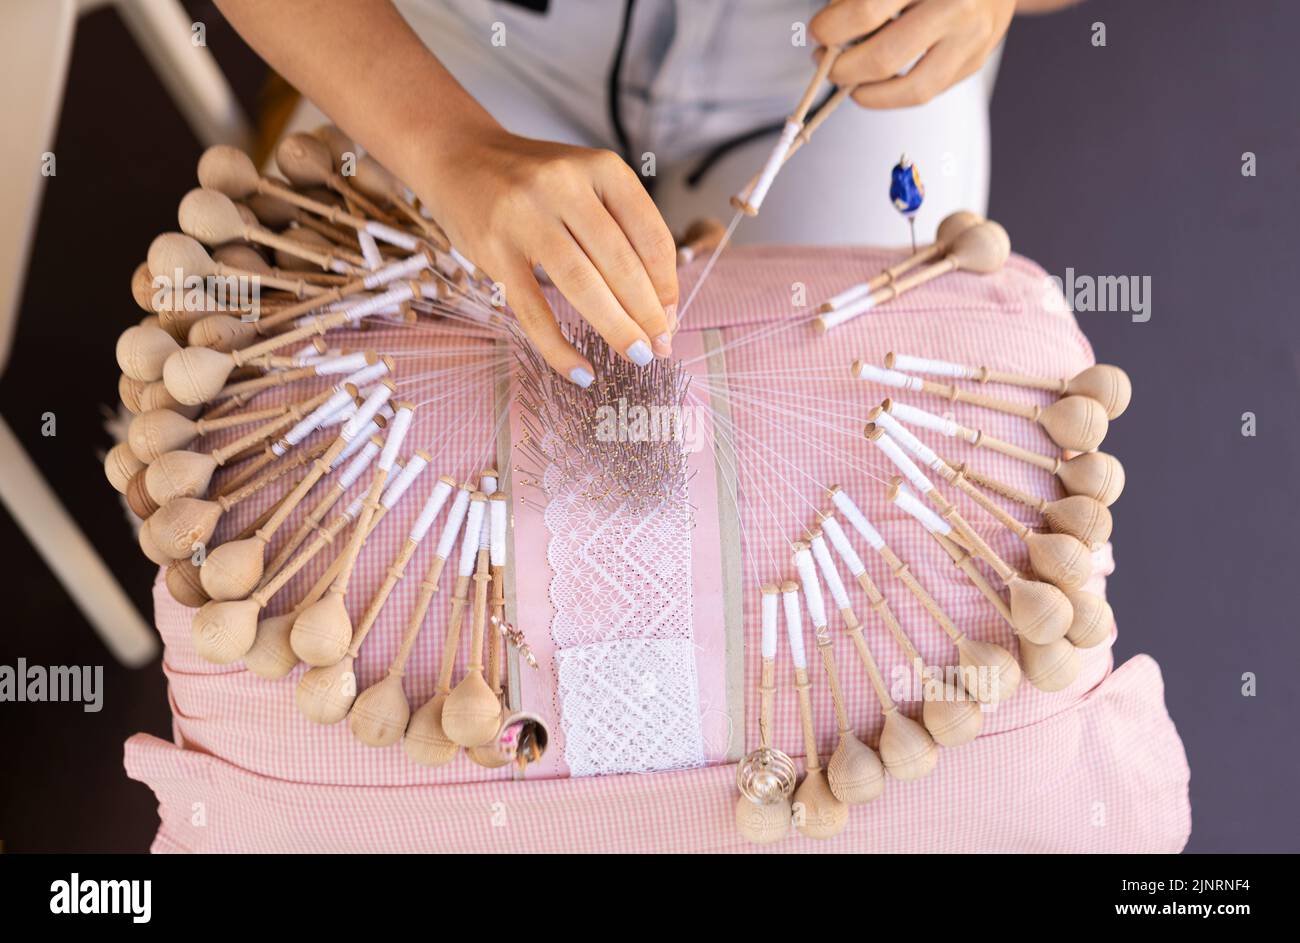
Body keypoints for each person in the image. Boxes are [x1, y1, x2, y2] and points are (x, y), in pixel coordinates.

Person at [215, 0, 1077, 386]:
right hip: (459, 59)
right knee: (377, 411)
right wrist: (449, 147)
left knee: (874, 404)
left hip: (825, 81)